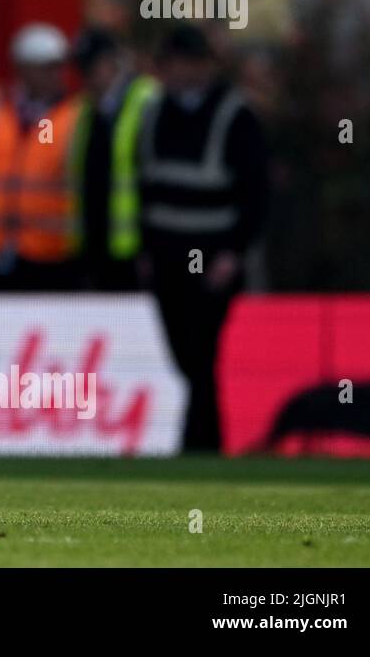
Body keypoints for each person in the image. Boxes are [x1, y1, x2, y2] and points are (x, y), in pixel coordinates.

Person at [138, 23, 269, 453]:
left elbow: (255, 193)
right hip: (168, 256)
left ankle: (200, 445)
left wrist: (233, 252)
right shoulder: (155, 114)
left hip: (210, 256)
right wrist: (145, 249)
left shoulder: (235, 116)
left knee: (200, 351)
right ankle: (200, 444)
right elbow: (144, 187)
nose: (179, 73)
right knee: (184, 354)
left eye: (187, 64)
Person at [0, 22, 80, 289]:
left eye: (58, 66)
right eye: (46, 67)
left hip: (48, 253)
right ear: (22, 68)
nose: (56, 75)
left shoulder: (73, 114)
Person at [67, 28, 158, 290]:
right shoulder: (86, 109)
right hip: (95, 243)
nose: (85, 77)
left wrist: (152, 245)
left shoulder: (147, 99)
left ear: (112, 63)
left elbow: (155, 181)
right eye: (81, 70)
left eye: (91, 68)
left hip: (134, 248)